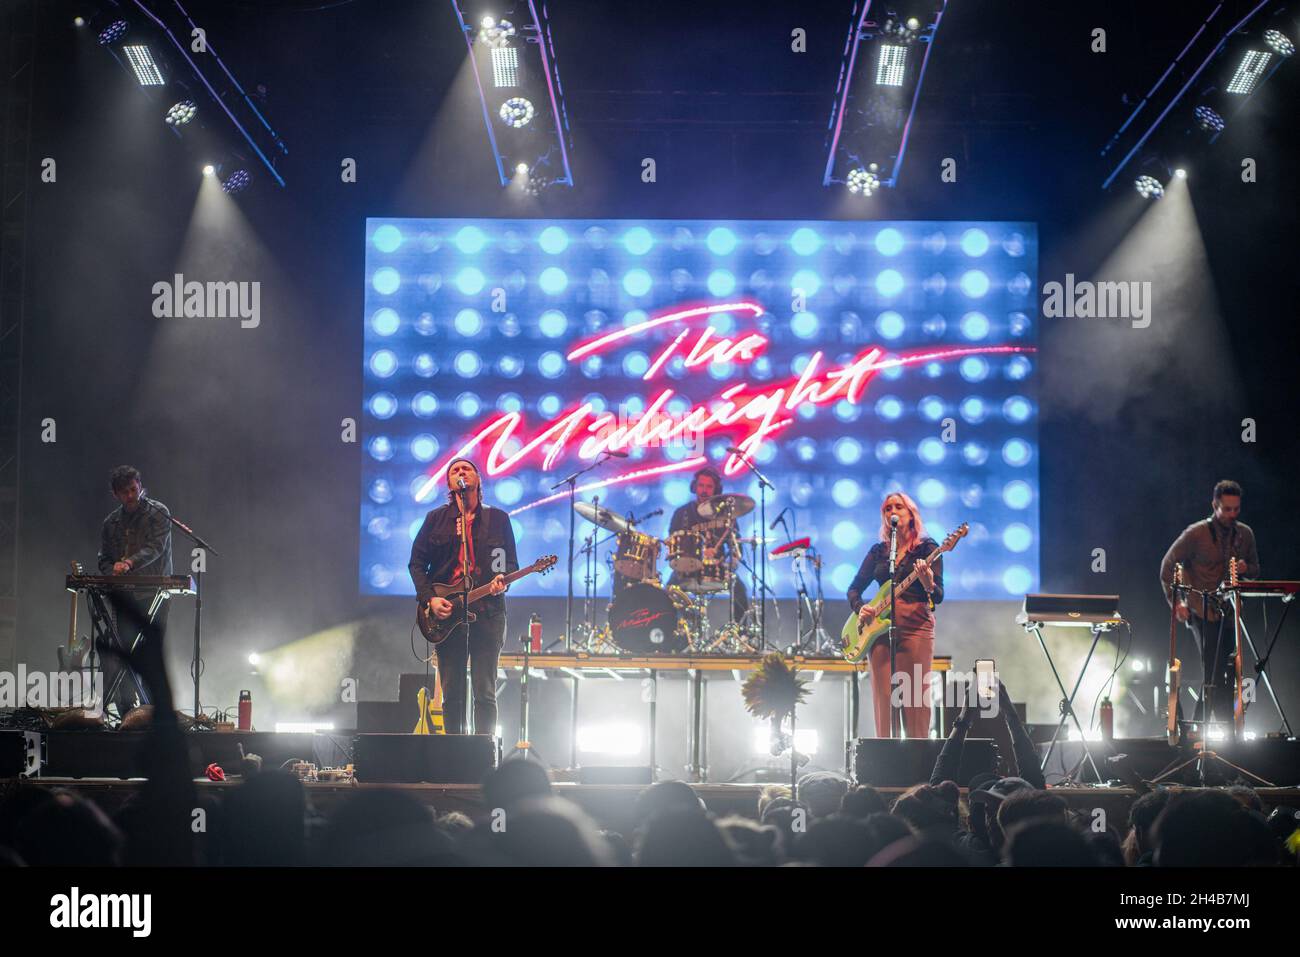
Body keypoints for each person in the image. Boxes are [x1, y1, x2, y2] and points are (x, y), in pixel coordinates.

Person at [408, 458, 517, 735]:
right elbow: (416, 564)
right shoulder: (436, 519)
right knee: (452, 695)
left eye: (466, 469)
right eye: (454, 470)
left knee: (484, 692)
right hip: (447, 616)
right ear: (448, 483)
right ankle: (453, 759)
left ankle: (483, 757)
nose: (460, 473)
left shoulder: (498, 519)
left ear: (478, 479)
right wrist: (429, 599)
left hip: (488, 614)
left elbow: (511, 566)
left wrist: (501, 583)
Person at [1159, 479, 1260, 726]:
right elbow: (1167, 565)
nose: (1232, 514)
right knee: (1214, 672)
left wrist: (1247, 568)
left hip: (1231, 613)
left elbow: (1256, 569)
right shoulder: (1196, 533)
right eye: (1227, 509)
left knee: (1228, 673)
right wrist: (1176, 603)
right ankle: (1211, 730)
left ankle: (1208, 729)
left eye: (1236, 509)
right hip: (1201, 611)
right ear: (1214, 505)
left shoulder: (1245, 534)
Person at [847, 492, 944, 738]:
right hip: (879, 633)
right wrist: (861, 608)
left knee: (915, 702)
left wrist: (928, 583)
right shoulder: (879, 551)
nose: (893, 510)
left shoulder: (928, 548)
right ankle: (886, 769)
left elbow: (939, 595)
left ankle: (919, 769)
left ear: (911, 514)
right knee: (884, 702)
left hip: (915, 628)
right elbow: (854, 588)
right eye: (887, 507)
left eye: (899, 506)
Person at [96, 465, 174, 718]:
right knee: (125, 651)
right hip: (125, 596)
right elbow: (104, 558)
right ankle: (127, 712)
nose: (131, 495)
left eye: (133, 489)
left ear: (140, 485)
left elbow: (156, 548)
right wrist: (111, 571)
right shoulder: (110, 522)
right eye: (125, 492)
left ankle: (154, 711)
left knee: (150, 653)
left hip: (154, 592)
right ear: (115, 495)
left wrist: (129, 563)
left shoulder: (158, 512)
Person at [666, 466, 749, 621]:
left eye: (709, 486)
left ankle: (741, 635)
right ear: (694, 487)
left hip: (718, 569)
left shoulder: (726, 514)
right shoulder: (681, 513)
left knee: (740, 591)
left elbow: (737, 545)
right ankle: (681, 629)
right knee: (668, 593)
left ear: (716, 489)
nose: (704, 490)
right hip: (688, 568)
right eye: (701, 485)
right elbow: (672, 544)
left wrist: (733, 561)